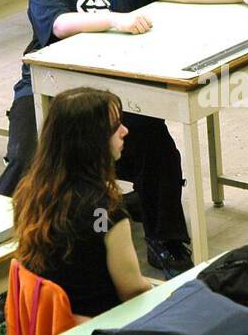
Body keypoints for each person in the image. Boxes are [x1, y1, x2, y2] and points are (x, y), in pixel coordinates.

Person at [0, 0, 248, 277]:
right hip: (50, 92)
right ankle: (8, 263)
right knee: (25, 160)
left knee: (155, 145)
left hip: (111, 90)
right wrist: (114, 20)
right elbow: (59, 25)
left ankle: (167, 243)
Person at [12, 88, 153, 316]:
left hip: (46, 325)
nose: (125, 131)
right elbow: (132, 290)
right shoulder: (107, 213)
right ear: (92, 141)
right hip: (94, 331)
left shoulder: (30, 192)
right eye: (115, 127)